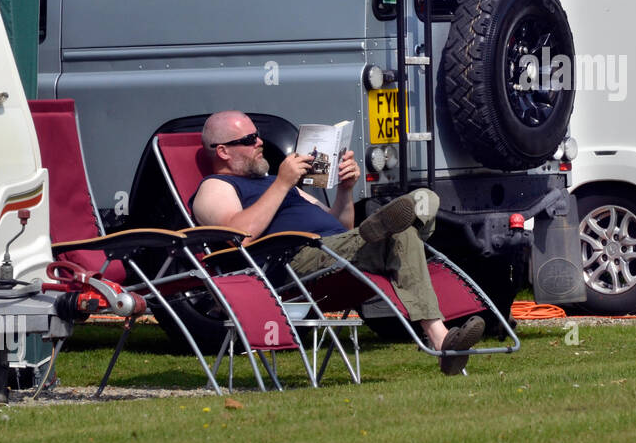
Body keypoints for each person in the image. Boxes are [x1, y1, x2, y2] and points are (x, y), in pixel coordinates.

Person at [190, 110, 484, 374]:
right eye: (249, 138)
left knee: (425, 200)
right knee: (403, 227)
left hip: (339, 249)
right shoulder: (216, 187)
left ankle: (440, 336)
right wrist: (282, 183)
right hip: (295, 261)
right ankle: (436, 330)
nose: (260, 143)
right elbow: (239, 237)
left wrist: (345, 191)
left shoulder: (270, 183)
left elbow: (339, 225)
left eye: (258, 136)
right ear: (223, 151)